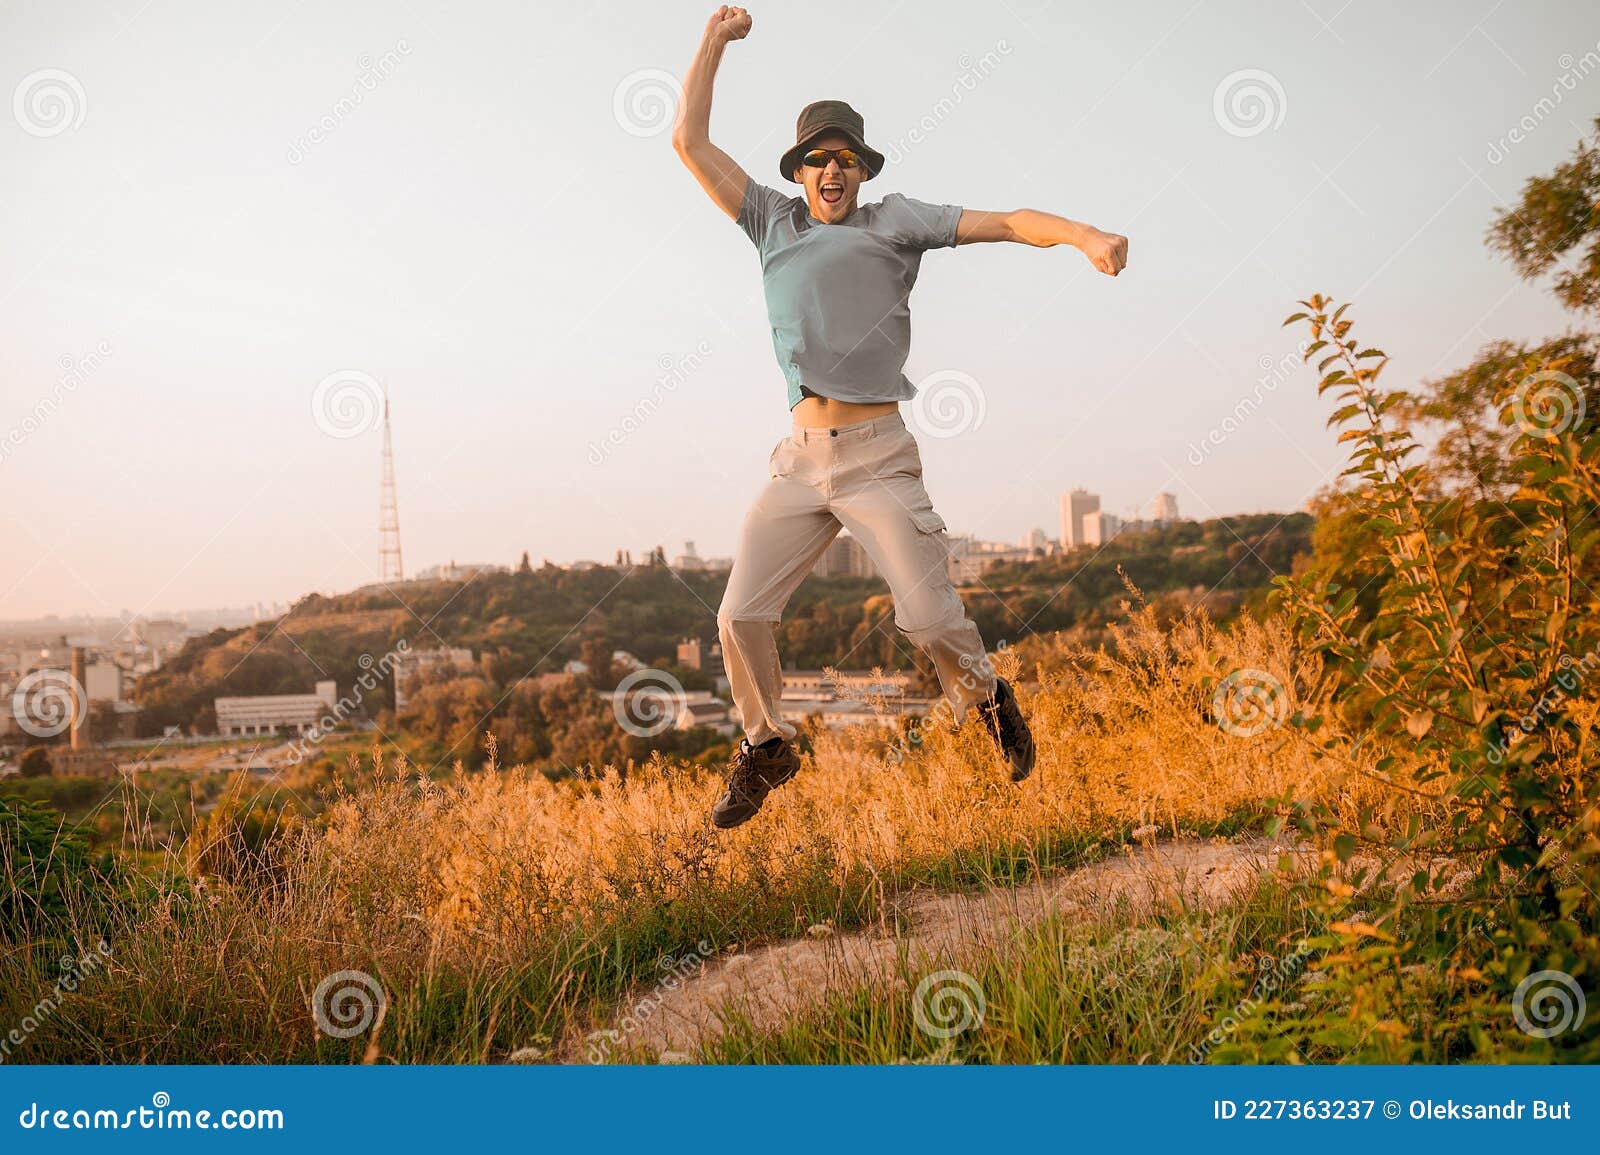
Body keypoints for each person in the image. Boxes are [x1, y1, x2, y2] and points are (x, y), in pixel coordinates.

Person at [672, 6, 1129, 829]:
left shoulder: (896, 223)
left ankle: (987, 697)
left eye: (845, 158)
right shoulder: (769, 221)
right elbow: (689, 143)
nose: (832, 171)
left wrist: (1082, 235)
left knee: (924, 614)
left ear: (863, 171)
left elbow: (1008, 221)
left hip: (880, 456)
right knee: (738, 615)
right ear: (800, 172)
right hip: (799, 461)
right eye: (817, 160)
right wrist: (713, 42)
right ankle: (766, 745)